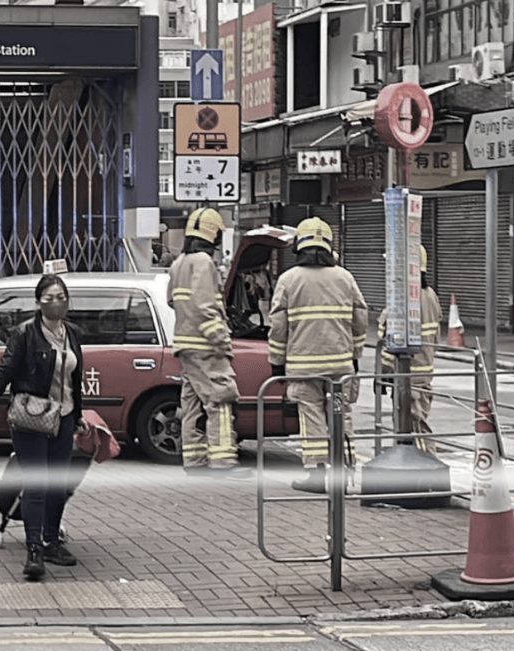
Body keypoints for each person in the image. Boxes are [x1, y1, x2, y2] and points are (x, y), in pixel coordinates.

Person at [0, 274, 85, 582]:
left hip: (63, 417)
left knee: (58, 484)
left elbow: (74, 379)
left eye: (60, 297)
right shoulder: (25, 334)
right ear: (38, 303)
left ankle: (50, 542)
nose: (55, 303)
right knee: (37, 485)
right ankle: (34, 550)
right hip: (32, 418)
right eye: (49, 298)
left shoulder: (72, 333)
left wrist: (78, 415)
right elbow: (4, 372)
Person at [268, 218, 368, 493]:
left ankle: (316, 475)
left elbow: (278, 327)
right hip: (340, 365)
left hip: (303, 367)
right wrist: (355, 354)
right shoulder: (345, 278)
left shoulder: (289, 279)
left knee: (310, 417)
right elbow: (360, 320)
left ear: (299, 246)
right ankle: (344, 472)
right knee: (341, 415)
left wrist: (277, 363)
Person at [168, 208, 245, 475]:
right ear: (213, 234)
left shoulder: (178, 263)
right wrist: (221, 340)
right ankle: (223, 462)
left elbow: (172, 300)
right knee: (220, 398)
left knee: (191, 403)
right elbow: (205, 306)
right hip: (206, 346)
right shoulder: (203, 262)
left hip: (185, 344)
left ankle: (194, 461)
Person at [378, 244, 441, 454]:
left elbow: (390, 343)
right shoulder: (430, 295)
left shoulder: (401, 299)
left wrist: (383, 375)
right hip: (424, 372)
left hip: (407, 374)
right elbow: (435, 336)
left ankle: (428, 463)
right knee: (416, 422)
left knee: (414, 427)